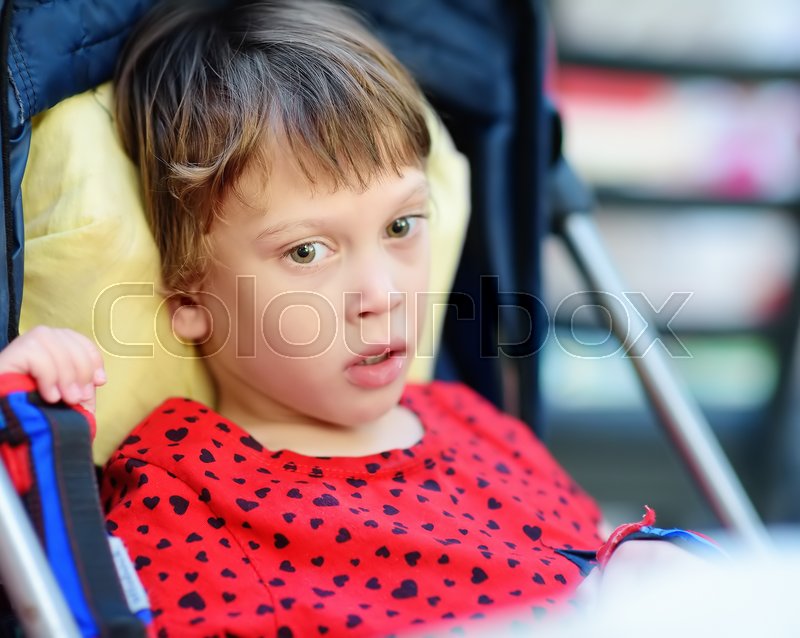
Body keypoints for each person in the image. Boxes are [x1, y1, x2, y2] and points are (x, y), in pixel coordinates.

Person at [0, 0, 717, 636]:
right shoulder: (182, 488)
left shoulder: (475, 422)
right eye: (307, 251)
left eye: (402, 226)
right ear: (189, 298)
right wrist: (31, 428)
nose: (381, 293)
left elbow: (588, 553)